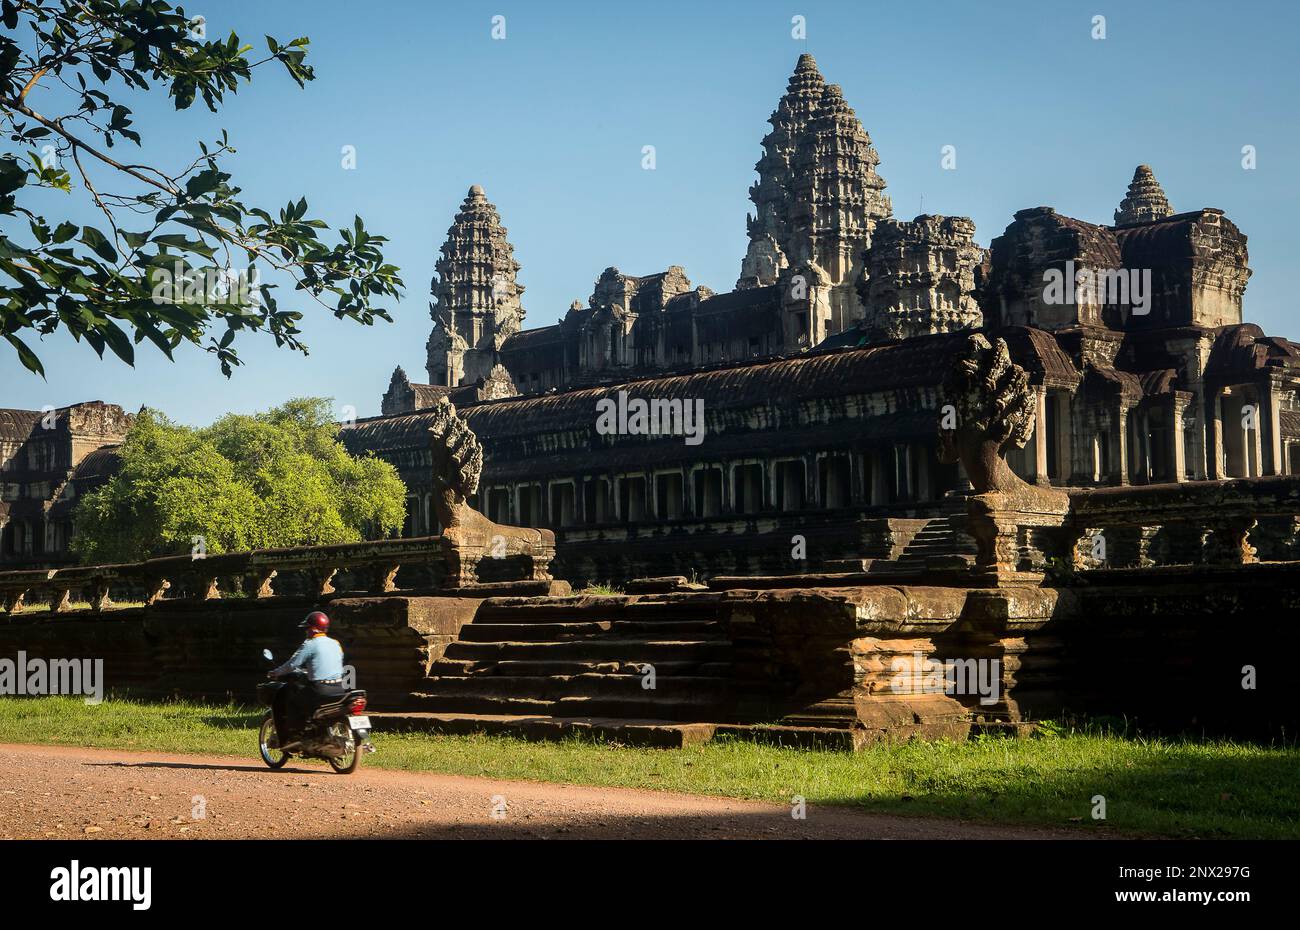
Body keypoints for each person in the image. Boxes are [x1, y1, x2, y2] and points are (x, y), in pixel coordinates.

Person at [269, 611, 346, 749]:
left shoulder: (310, 644)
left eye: (307, 628)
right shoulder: (336, 643)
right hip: (339, 688)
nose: (306, 632)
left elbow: (293, 664)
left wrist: (276, 672)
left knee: (293, 699)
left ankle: (295, 736)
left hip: (320, 689)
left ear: (313, 629)